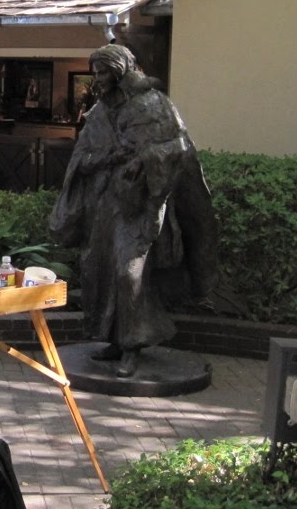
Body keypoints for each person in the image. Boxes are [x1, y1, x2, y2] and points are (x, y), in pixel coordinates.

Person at [50, 45, 218, 378]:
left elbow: (179, 147)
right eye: (95, 72)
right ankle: (113, 340)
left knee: (130, 274)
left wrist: (143, 160)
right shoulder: (99, 113)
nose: (97, 80)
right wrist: (106, 159)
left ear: (121, 71)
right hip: (105, 206)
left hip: (140, 206)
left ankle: (132, 346)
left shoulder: (153, 105)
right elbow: (80, 158)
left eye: (103, 72)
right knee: (97, 269)